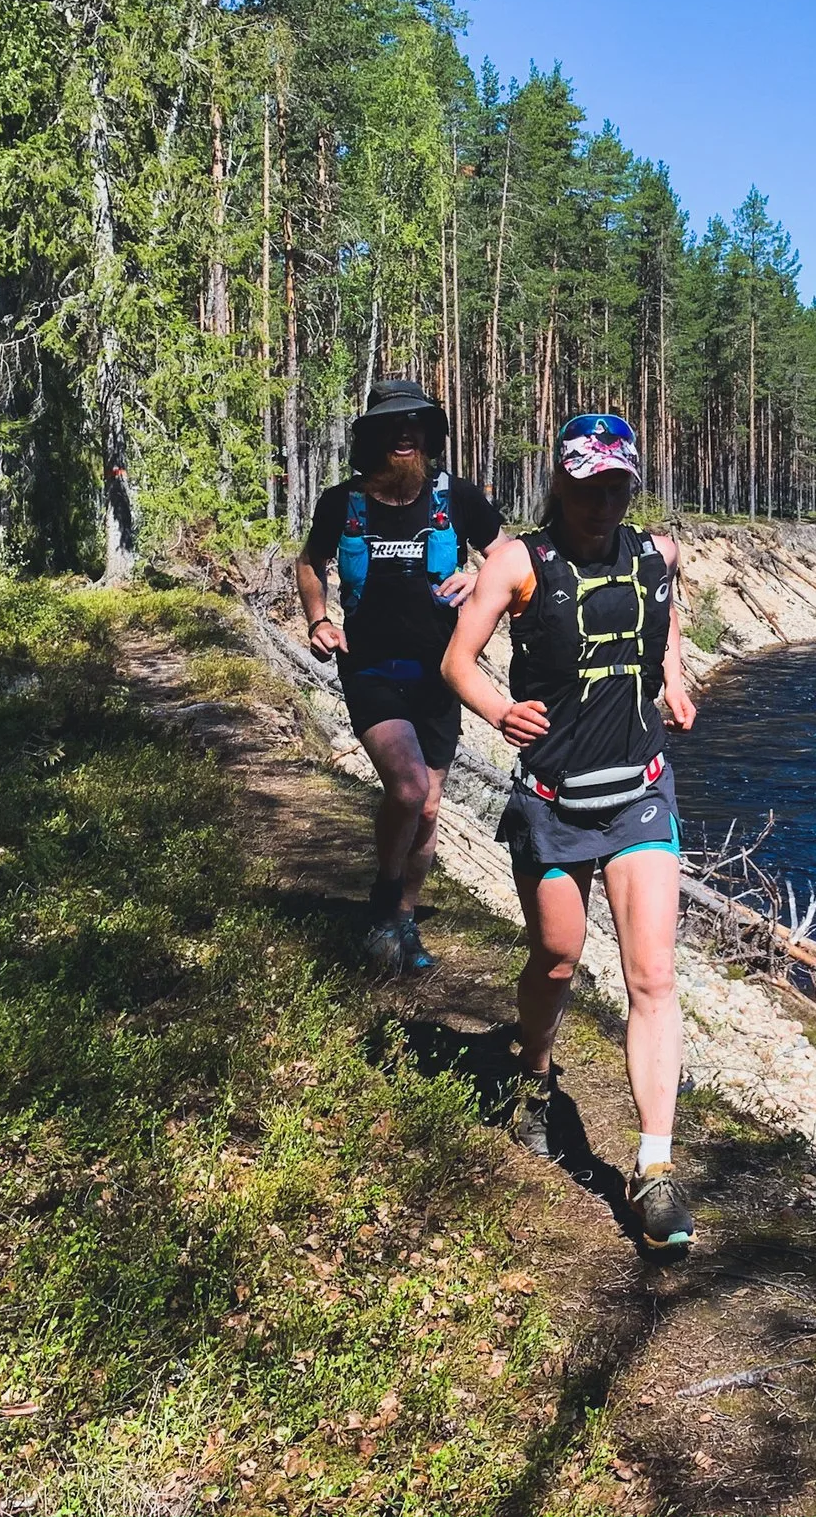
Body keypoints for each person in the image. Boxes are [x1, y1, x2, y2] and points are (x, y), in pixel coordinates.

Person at [441, 412, 700, 1249]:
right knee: (555, 957)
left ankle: (653, 1170)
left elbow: (660, 623)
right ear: (559, 480)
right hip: (552, 798)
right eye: (588, 483)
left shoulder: (657, 553)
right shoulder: (520, 560)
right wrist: (497, 708)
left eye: (616, 483)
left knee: (652, 973)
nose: (602, 499)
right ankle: (532, 1073)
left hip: (639, 791)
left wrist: (675, 677)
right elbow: (457, 659)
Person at [297, 380, 504, 975]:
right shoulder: (343, 502)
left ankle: (403, 919)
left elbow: (512, 559)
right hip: (370, 669)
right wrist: (319, 620)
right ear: (374, 438)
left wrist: (481, 581)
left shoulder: (457, 498)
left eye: (415, 424)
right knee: (410, 789)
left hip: (442, 675)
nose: (404, 434)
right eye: (392, 426)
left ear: (430, 434)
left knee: (431, 808)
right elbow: (309, 562)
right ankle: (385, 901)